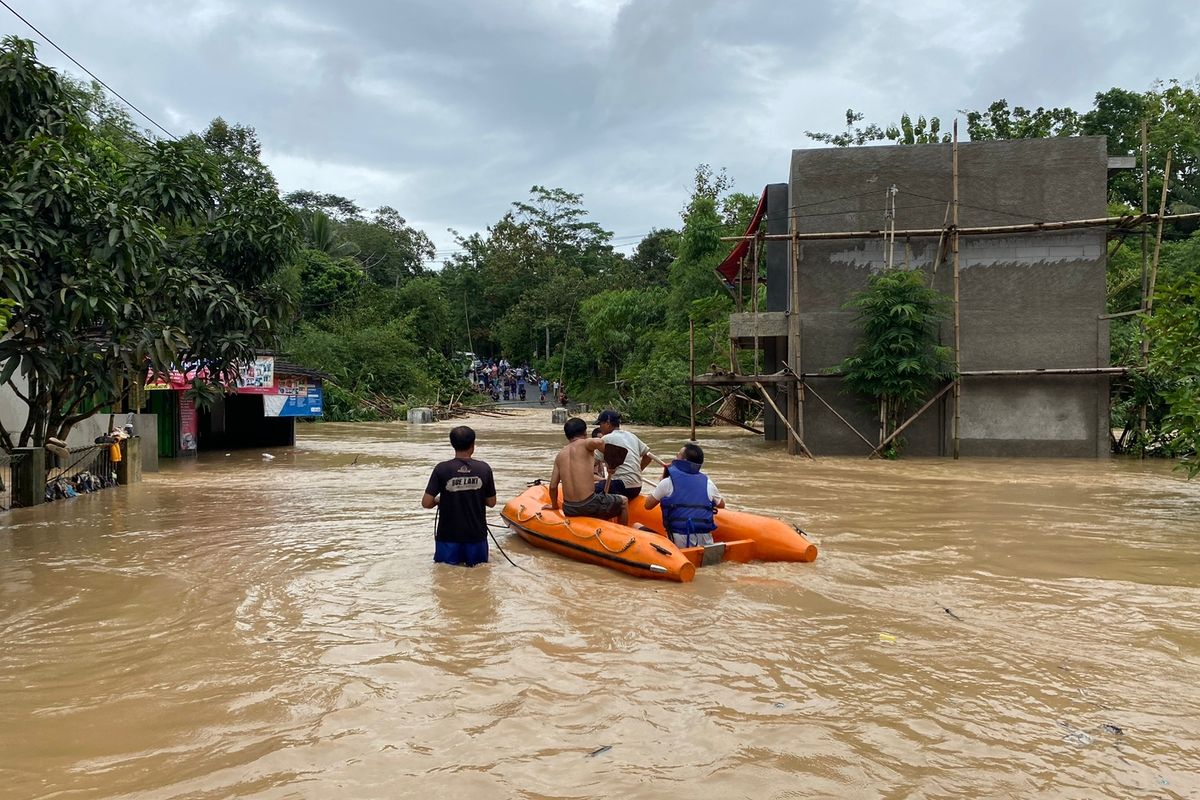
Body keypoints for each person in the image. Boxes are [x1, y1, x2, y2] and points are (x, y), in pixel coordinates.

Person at [421, 426, 497, 566]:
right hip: (476, 537)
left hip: (448, 537)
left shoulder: (441, 469)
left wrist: (438, 501)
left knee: (445, 576)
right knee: (478, 575)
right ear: (473, 445)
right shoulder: (484, 468)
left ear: (452, 445)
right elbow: (491, 502)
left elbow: (426, 503)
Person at [546, 417, 628, 525]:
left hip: (569, 508)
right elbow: (598, 441)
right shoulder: (586, 444)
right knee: (624, 501)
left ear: (567, 435)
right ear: (585, 432)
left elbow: (552, 486)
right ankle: (622, 534)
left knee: (601, 497)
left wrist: (554, 505)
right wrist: (611, 459)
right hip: (589, 504)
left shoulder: (560, 455)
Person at [644, 442, 725, 549]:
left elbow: (648, 505)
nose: (675, 458)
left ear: (683, 462)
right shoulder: (708, 483)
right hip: (706, 541)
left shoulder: (667, 483)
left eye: (677, 455)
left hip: (679, 542)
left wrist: (661, 481)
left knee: (637, 526)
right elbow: (721, 505)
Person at [594, 409, 662, 500]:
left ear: (607, 423)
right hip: (637, 486)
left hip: (621, 486)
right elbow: (648, 456)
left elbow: (591, 462)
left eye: (600, 424)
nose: (600, 427)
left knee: (588, 489)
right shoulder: (631, 436)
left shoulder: (606, 439)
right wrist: (638, 471)